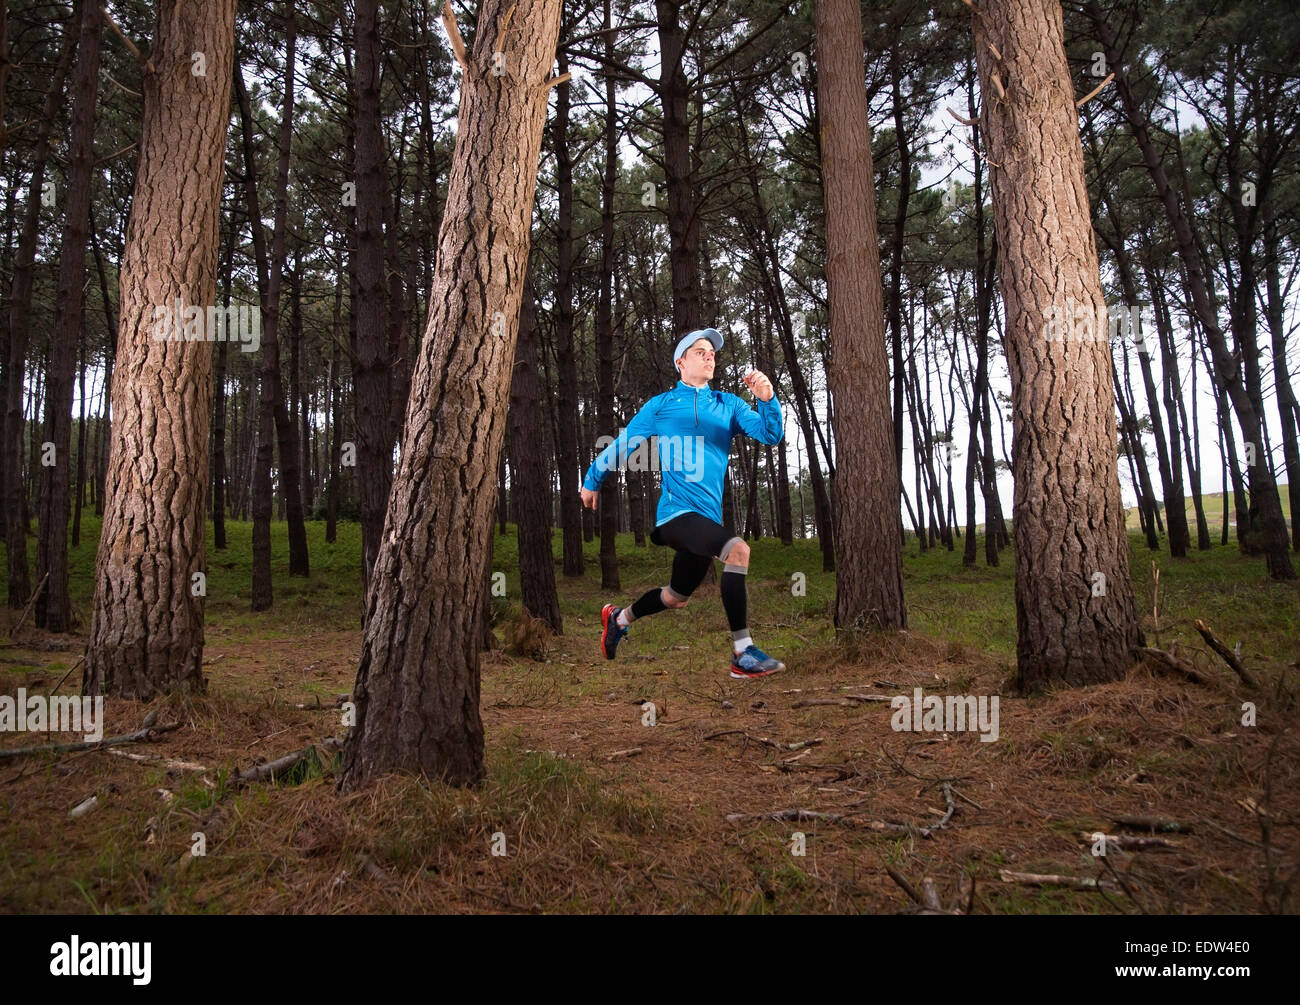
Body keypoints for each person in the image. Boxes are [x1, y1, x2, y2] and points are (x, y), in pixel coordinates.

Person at [579, 327, 786, 679]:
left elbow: (771, 435)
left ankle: (619, 619)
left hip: (704, 521)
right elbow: (625, 443)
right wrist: (592, 479)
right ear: (681, 362)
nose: (710, 356)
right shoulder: (660, 406)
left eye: (713, 353)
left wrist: (767, 400)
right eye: (701, 351)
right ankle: (742, 652)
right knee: (738, 552)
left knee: (676, 597)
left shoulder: (729, 405)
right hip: (675, 515)